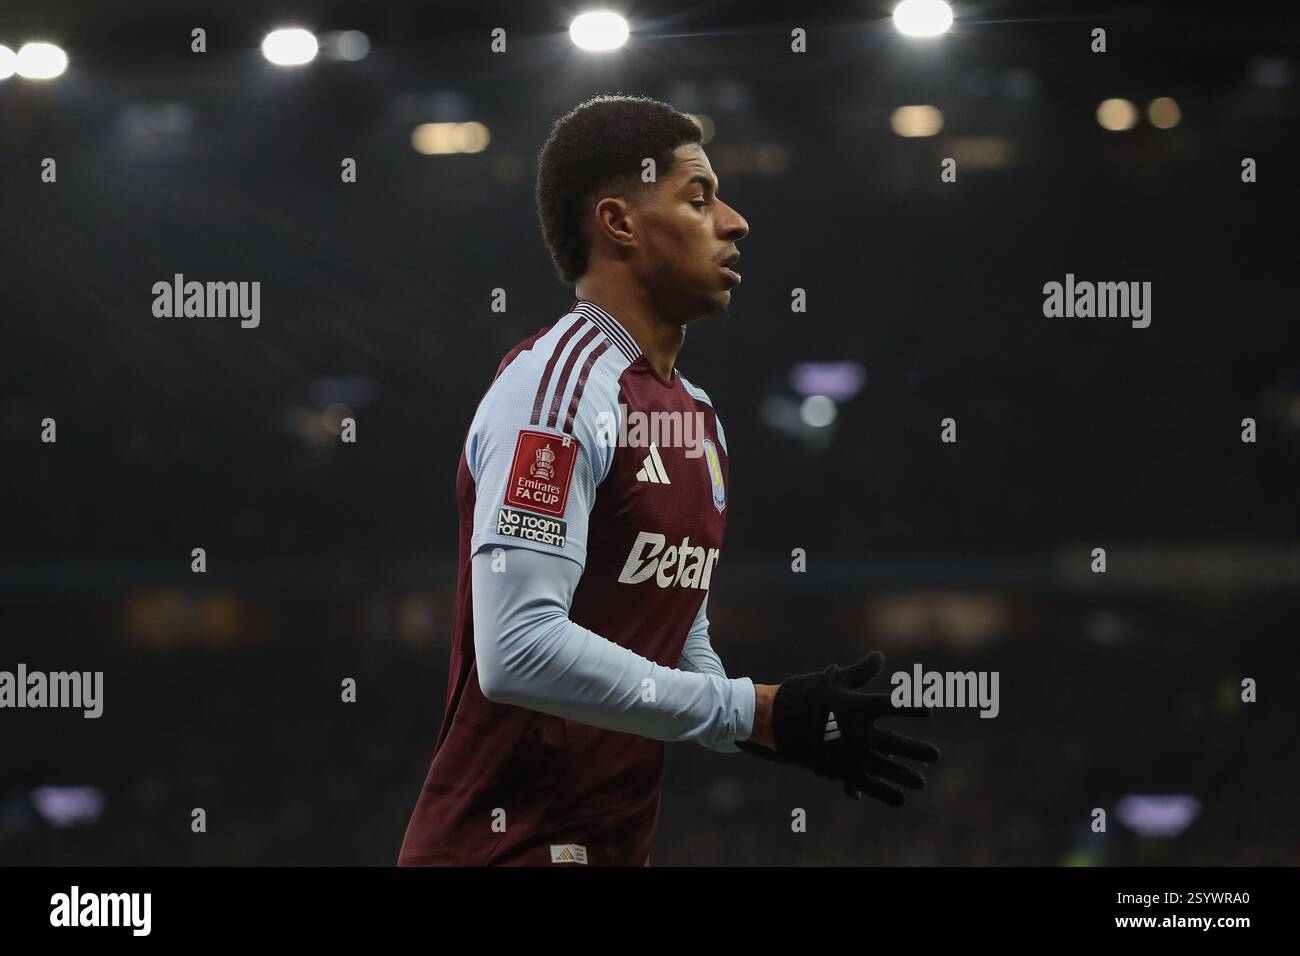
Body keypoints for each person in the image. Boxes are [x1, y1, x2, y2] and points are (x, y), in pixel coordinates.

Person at [398, 94, 939, 867]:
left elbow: (678, 638)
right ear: (618, 223)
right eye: (699, 197)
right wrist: (752, 711)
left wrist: (782, 729)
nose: (735, 220)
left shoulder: (700, 420)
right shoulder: (553, 388)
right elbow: (515, 647)